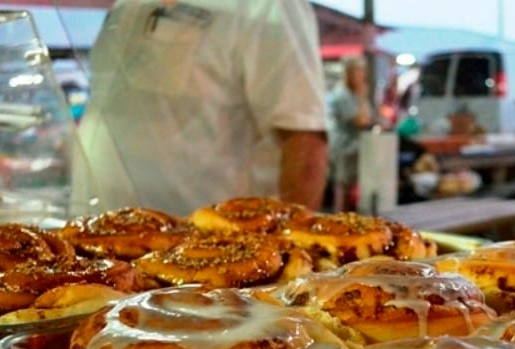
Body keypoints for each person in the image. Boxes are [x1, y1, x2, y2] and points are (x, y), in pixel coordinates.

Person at [70, 0, 329, 217]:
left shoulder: (268, 7)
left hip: (207, 258)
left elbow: (305, 146)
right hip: (96, 238)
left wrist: (291, 257)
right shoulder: (127, 5)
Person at [328, 55, 376, 212]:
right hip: (344, 146)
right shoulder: (342, 94)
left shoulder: (357, 93)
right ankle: (339, 218)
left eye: (362, 71)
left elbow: (371, 117)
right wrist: (363, 97)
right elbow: (361, 121)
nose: (361, 75)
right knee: (343, 184)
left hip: (358, 146)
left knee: (354, 184)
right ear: (348, 72)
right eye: (357, 71)